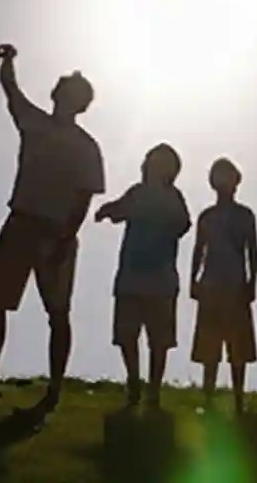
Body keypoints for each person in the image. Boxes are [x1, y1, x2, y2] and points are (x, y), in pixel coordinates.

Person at [0, 44, 105, 411]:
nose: (68, 97)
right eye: (65, 90)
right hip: (20, 222)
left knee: (58, 313)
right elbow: (11, 90)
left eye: (76, 95)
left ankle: (53, 388)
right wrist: (7, 60)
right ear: (56, 94)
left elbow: (85, 195)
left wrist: (66, 236)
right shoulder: (33, 121)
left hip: (56, 231)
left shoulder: (87, 145)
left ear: (82, 105)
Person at [95, 143, 191, 408]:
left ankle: (154, 389)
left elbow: (182, 224)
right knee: (127, 335)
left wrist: (141, 212)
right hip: (132, 274)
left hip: (160, 277)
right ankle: (134, 381)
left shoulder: (173, 196)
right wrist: (107, 210)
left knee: (158, 339)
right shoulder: (137, 193)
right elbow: (118, 209)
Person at [189, 157, 257, 412]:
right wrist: (193, 280)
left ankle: (239, 399)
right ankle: (208, 397)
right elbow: (199, 249)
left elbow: (253, 250)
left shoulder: (245, 215)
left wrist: (252, 282)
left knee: (238, 348)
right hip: (210, 285)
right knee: (210, 347)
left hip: (236, 285)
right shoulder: (206, 216)